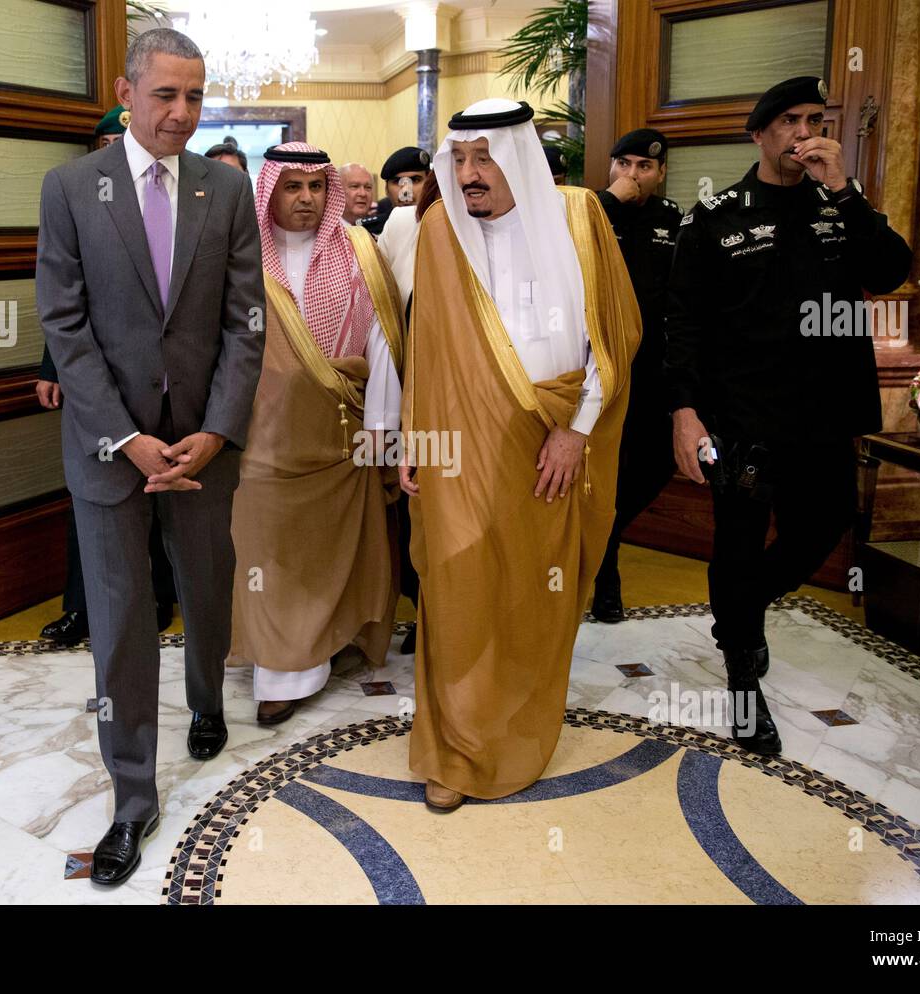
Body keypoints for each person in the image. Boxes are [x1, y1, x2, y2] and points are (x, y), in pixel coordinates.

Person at [35, 28, 265, 886]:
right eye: (166, 95)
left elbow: (249, 322)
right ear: (129, 91)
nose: (181, 114)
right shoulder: (68, 189)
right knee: (123, 617)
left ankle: (206, 700)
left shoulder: (226, 191)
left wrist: (217, 426)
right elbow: (65, 325)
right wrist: (126, 439)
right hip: (108, 449)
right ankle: (133, 797)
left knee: (206, 586)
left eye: (196, 97)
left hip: (204, 442)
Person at [401, 98, 642, 811]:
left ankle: (516, 724)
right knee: (457, 585)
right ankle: (457, 748)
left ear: (519, 157)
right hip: (458, 446)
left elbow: (615, 334)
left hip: (551, 443)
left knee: (535, 590)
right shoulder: (440, 228)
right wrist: (414, 437)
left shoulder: (579, 218)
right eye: (460, 159)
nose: (470, 174)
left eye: (485, 157)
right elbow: (426, 346)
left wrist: (578, 432)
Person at [665, 76, 912, 756]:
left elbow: (891, 270)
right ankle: (743, 673)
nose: (805, 133)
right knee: (737, 543)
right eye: (790, 122)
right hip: (741, 416)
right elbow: (681, 324)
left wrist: (846, 191)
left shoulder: (839, 206)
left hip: (824, 415)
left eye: (814, 120)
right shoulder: (716, 215)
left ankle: (741, 613)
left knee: (825, 525)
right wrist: (685, 413)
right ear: (760, 133)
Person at [229, 143, 404, 724]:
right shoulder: (241, 253)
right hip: (262, 436)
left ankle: (328, 644)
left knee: (335, 551)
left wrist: (381, 428)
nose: (306, 199)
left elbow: (382, 340)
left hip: (342, 432)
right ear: (270, 190)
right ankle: (281, 667)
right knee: (267, 550)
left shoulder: (359, 248)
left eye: (316, 187)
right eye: (292, 186)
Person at [37, 104, 176, 647]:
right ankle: (82, 608)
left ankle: (158, 598)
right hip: (95, 393)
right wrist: (54, 368)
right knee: (93, 505)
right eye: (102, 150)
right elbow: (63, 302)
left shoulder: (166, 200)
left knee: (161, 502)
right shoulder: (72, 196)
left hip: (164, 388)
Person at [590, 128, 683, 623]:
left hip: (653, 367)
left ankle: (608, 536)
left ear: (661, 172)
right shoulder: (592, 211)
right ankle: (605, 575)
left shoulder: (673, 219)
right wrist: (610, 201)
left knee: (655, 464)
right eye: (623, 164)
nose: (633, 175)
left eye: (644, 167)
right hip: (599, 366)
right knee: (603, 466)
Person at [367, 169, 441, 655]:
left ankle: (451, 611)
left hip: (476, 404)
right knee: (415, 506)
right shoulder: (402, 224)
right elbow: (387, 312)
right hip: (412, 391)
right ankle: (423, 608)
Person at [360, 145, 430, 236]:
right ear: (386, 189)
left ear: (429, 184)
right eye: (397, 182)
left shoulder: (443, 225)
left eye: (415, 180)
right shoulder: (369, 232)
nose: (405, 191)